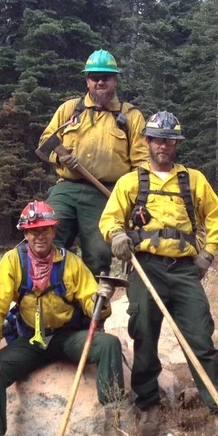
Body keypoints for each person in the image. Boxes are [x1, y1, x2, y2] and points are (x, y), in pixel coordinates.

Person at [99, 112, 218, 436]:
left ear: (176, 144)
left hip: (184, 272)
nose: (162, 145)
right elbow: (109, 220)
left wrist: (207, 254)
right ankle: (148, 404)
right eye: (156, 139)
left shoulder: (192, 180)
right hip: (145, 268)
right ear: (147, 142)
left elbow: (215, 216)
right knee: (145, 338)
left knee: (200, 337)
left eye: (168, 140)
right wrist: (118, 236)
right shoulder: (131, 182)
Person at [0, 200, 131, 436]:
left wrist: (102, 301)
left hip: (66, 338)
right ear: (24, 233)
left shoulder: (70, 263)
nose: (39, 236)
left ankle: (112, 427)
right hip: (30, 341)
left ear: (53, 231)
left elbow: (92, 306)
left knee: (109, 344)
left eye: (45, 230)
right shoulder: (13, 262)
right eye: (33, 230)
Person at [38, 49, 148, 277]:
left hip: (105, 192)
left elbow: (142, 163)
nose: (100, 82)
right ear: (87, 80)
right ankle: (46, 295)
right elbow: (45, 141)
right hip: (66, 188)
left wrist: (133, 200)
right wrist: (60, 157)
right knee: (45, 235)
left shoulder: (131, 116)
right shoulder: (69, 110)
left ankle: (92, 307)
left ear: (114, 80)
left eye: (105, 77)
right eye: (94, 77)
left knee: (99, 254)